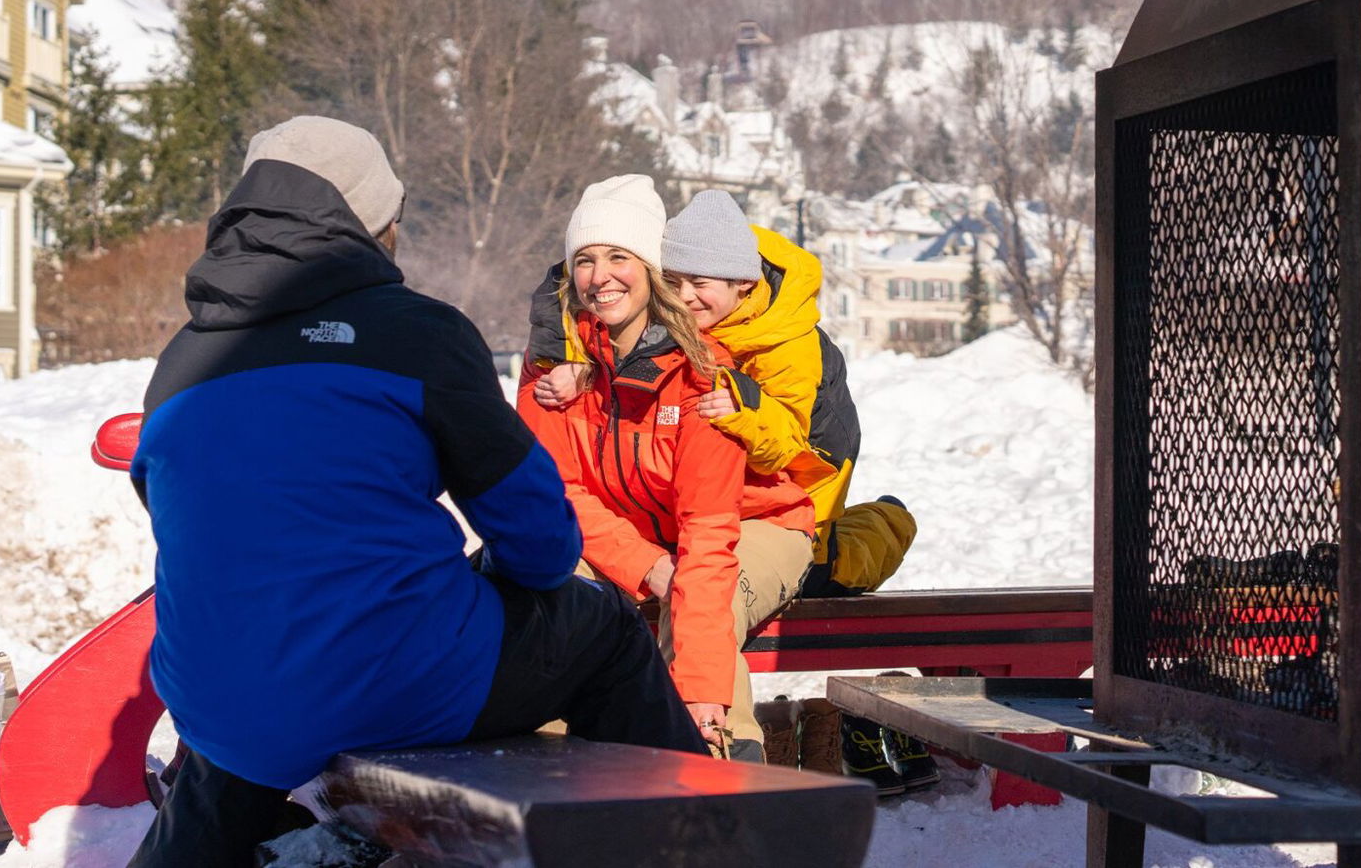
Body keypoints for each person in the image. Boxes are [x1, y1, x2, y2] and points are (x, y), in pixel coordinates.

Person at [127, 119, 705, 867]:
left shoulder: (181, 358)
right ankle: (709, 842)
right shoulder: (413, 334)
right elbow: (541, 542)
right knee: (599, 626)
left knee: (255, 695)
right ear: (371, 224)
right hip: (388, 678)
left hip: (212, 690)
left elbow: (181, 513)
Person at [514, 176, 817, 762]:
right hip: (639, 535)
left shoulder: (705, 374)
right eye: (585, 260)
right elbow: (552, 493)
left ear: (653, 270)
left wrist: (702, 693)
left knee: (704, 599)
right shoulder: (555, 367)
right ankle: (537, 761)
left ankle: (721, 760)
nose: (599, 276)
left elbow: (708, 531)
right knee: (544, 582)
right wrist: (646, 563)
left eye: (618, 257)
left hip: (753, 523)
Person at [529, 189, 916, 599]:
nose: (684, 296)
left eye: (699, 284)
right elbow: (578, 293)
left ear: (744, 284)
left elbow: (791, 449)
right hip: (717, 493)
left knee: (826, 571)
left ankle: (887, 523)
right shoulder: (694, 304)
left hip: (804, 476)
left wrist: (745, 408)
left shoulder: (786, 346)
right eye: (673, 282)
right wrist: (571, 360)